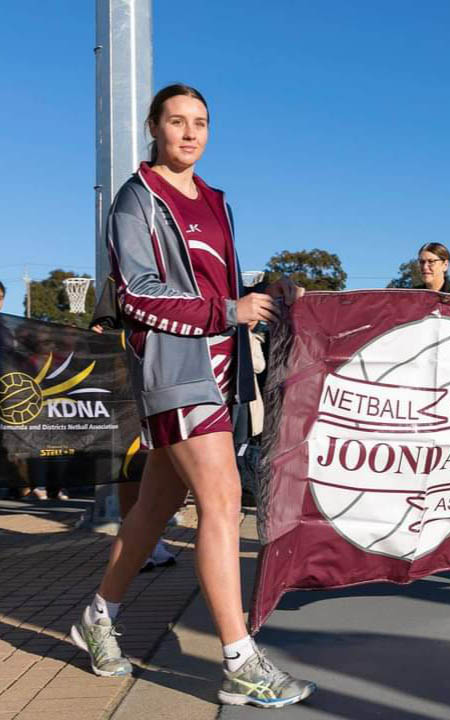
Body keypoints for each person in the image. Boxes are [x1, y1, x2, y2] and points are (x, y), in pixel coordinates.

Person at [69, 84, 315, 708]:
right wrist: (226, 308)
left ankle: (98, 616)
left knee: (155, 509)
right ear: (153, 126)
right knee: (224, 498)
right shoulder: (136, 198)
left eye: (200, 122)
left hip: (222, 370)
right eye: (176, 121)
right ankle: (239, 659)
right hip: (172, 368)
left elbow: (223, 280)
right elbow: (136, 294)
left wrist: (268, 292)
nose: (189, 133)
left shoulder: (216, 201)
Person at [90, 275, 176, 570]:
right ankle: (135, 545)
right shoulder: (121, 277)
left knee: (162, 466)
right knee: (132, 465)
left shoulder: (180, 271)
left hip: (170, 381)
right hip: (128, 387)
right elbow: (100, 330)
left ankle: (152, 539)